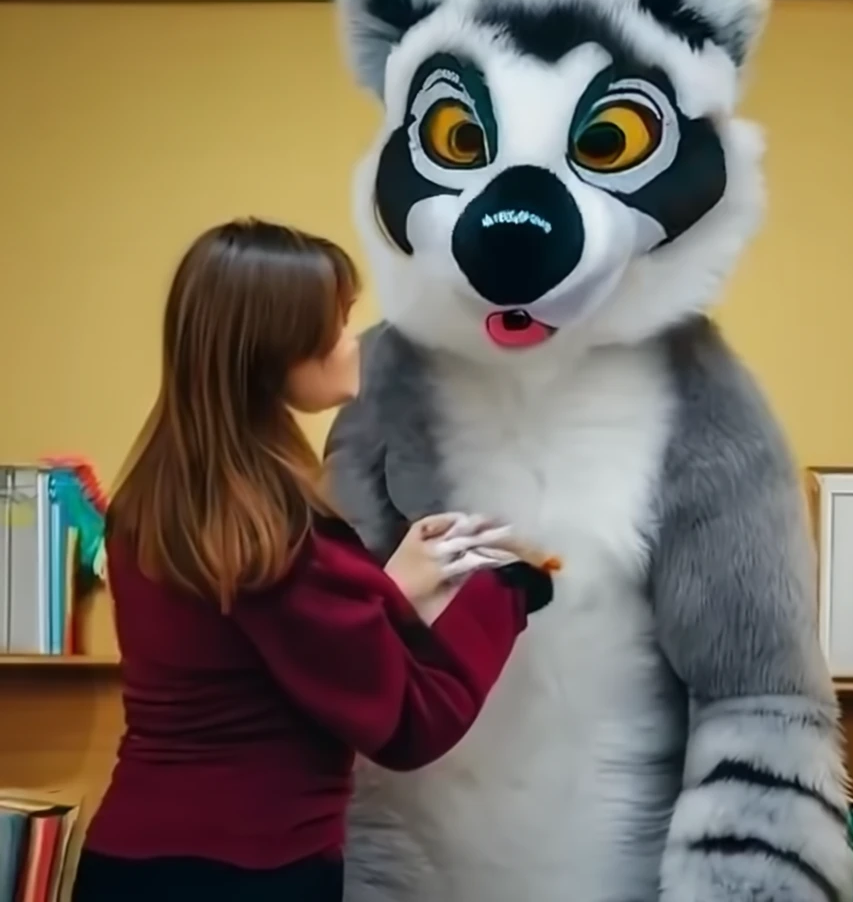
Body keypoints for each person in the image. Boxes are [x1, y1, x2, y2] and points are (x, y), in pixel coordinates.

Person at [71, 218, 552, 902]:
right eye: (335, 325)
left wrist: (385, 592)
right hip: (247, 877)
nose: (351, 344)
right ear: (273, 351)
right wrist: (509, 582)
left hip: (134, 862)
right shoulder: (277, 536)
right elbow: (410, 722)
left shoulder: (161, 500)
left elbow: (263, 662)